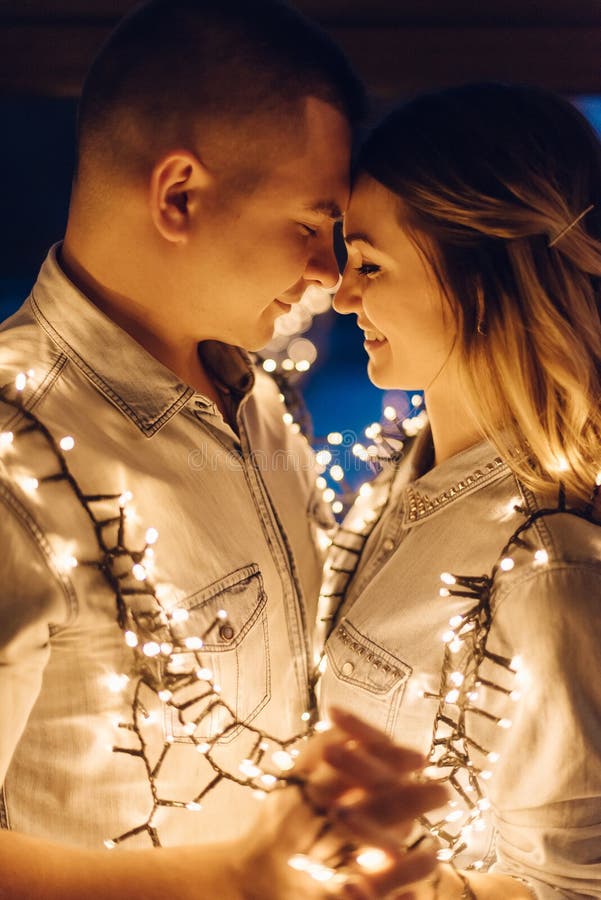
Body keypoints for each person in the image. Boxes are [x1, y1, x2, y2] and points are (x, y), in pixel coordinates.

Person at [0, 0, 447, 896]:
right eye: (310, 223)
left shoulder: (264, 398)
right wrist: (235, 878)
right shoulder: (19, 460)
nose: (329, 271)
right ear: (179, 196)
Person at [319, 82, 601, 898]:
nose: (342, 295)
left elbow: (570, 887)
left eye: (368, 263)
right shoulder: (404, 477)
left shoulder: (548, 568)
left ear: (479, 279)